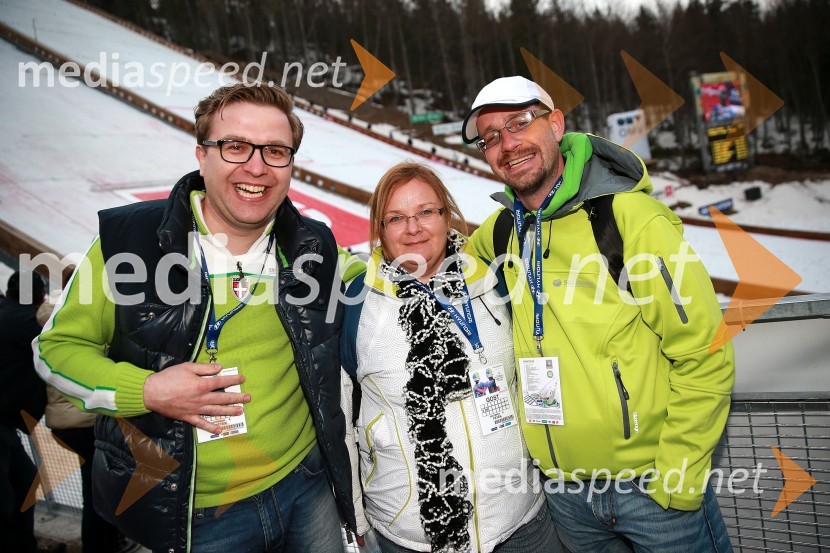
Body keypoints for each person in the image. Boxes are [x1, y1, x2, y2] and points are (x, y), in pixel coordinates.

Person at [34, 82, 356, 553]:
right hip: (199, 513)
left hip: (306, 485)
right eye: (235, 146)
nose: (256, 166)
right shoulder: (129, 244)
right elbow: (54, 351)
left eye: (275, 151)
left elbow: (381, 280)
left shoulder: (313, 243)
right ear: (202, 156)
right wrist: (146, 389)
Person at [462, 77, 735, 552]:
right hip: (567, 498)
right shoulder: (503, 230)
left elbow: (705, 355)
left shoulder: (631, 220)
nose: (507, 144)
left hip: (652, 492)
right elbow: (435, 262)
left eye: (519, 124)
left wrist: (677, 475)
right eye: (491, 137)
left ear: (557, 123)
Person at [340, 162, 560, 553]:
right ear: (380, 228)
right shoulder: (357, 303)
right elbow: (340, 417)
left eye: (426, 212)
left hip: (521, 521)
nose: (413, 228)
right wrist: (355, 516)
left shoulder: (495, 284)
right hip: (410, 533)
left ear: (448, 215)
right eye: (396, 218)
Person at [37, 266, 138, 553]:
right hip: (87, 419)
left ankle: (105, 542)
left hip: (63, 420)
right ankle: (104, 545)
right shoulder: (86, 319)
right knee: (102, 495)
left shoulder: (51, 317)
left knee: (94, 491)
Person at [1, 271, 47, 553]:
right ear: (39, 296)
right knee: (8, 496)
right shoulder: (26, 323)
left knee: (25, 480)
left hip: (5, 424)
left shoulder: (8, 313)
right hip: (2, 423)